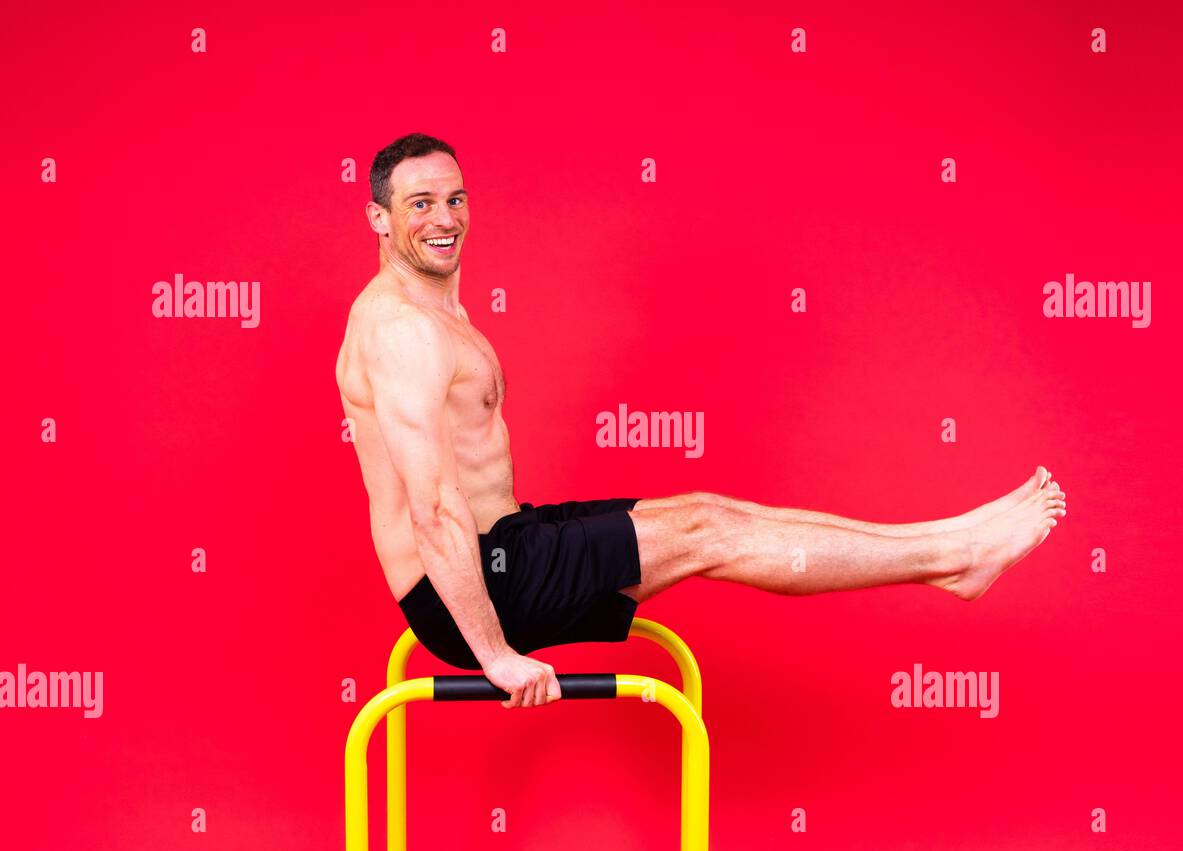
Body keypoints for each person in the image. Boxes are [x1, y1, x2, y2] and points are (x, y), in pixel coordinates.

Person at [336, 133, 1067, 710]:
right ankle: (954, 558)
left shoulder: (437, 313)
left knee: (707, 516)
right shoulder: (404, 332)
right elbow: (433, 507)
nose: (445, 219)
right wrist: (496, 655)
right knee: (706, 532)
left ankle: (951, 548)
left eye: (455, 199)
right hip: (469, 585)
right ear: (379, 216)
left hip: (504, 547)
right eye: (421, 203)